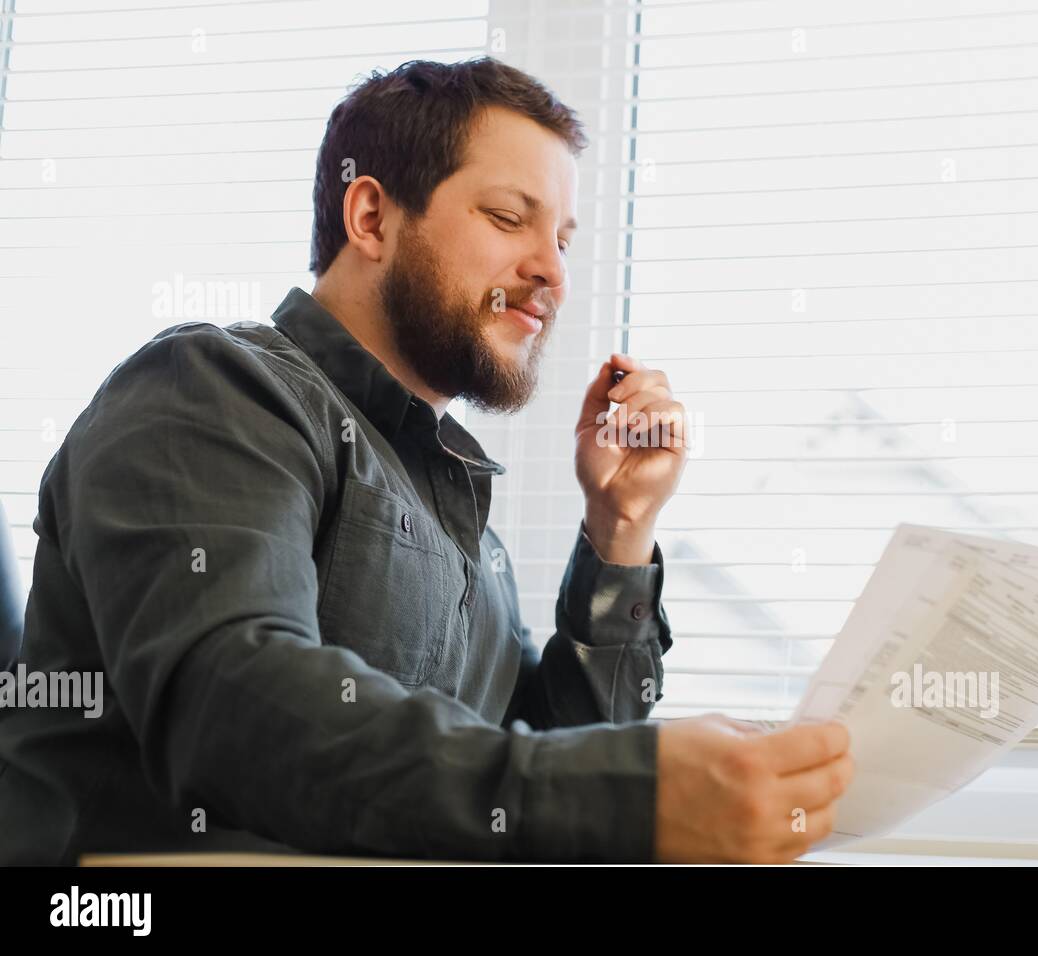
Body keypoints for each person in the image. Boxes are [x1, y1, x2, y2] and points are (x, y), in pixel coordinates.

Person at [0, 57, 851, 865]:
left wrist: (621, 528)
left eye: (563, 239)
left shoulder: (466, 524)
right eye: (509, 218)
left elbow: (537, 768)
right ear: (370, 216)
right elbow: (232, 705)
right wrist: (629, 795)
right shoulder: (211, 389)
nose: (551, 270)